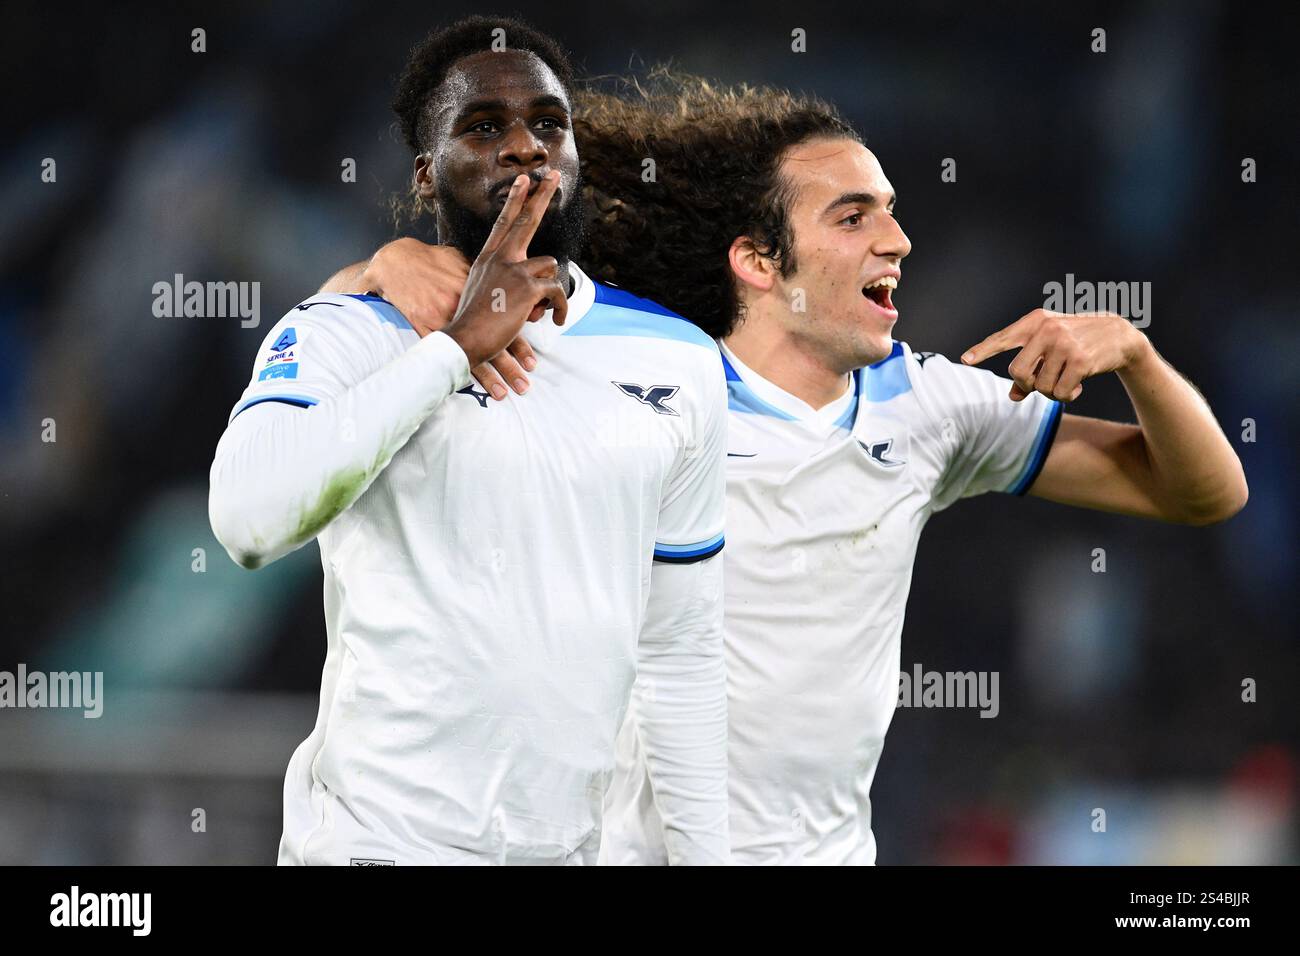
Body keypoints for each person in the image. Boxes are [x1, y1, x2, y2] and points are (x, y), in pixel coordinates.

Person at [326, 73, 1248, 864]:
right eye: (854, 217)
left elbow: (1204, 491)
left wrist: (1136, 356)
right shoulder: (634, 369)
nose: (897, 240)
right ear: (759, 262)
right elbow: (354, 329)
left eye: (891, 212)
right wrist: (388, 266)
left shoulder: (936, 408)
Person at [209, 23, 730, 866]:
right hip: (375, 845)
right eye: (482, 127)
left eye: (547, 124)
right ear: (426, 174)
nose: (523, 145)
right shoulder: (349, 328)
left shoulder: (677, 359)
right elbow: (246, 521)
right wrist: (453, 351)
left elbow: (682, 651)